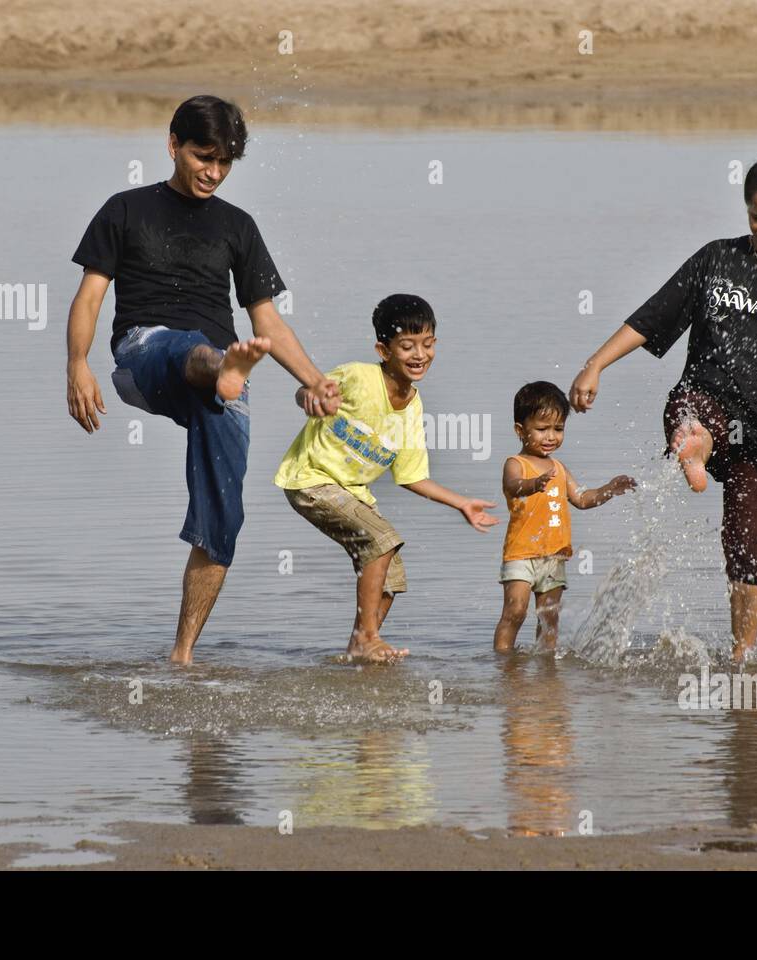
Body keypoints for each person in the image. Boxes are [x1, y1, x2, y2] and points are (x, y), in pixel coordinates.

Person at [568, 143, 757, 663]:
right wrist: (595, 364)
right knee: (694, 419)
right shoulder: (717, 258)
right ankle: (693, 448)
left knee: (749, 551)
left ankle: (741, 656)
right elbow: (652, 316)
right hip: (706, 399)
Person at [65, 94, 342, 666]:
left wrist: (314, 381)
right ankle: (222, 370)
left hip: (224, 370)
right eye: (203, 157)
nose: (213, 173)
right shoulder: (125, 209)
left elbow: (266, 321)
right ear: (173, 146)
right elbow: (90, 294)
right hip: (146, 355)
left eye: (225, 163)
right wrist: (77, 364)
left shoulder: (238, 227)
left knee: (223, 520)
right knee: (191, 349)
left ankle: (182, 656)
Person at [274, 294, 499, 663]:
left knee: (391, 572)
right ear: (384, 349)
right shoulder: (358, 377)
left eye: (427, 344)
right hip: (310, 480)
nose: (419, 354)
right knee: (381, 541)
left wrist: (460, 502)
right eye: (407, 345)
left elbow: (411, 477)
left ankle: (359, 650)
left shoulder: (413, 406)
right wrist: (308, 396)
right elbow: (306, 389)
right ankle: (367, 637)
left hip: (351, 493)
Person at [494, 382, 635, 653]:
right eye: (542, 429)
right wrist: (534, 484)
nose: (551, 437)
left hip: (554, 556)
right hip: (521, 555)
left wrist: (608, 489)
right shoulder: (515, 464)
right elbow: (513, 486)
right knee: (516, 611)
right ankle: (504, 664)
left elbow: (581, 498)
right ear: (520, 430)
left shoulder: (558, 468)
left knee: (549, 618)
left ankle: (546, 669)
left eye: (558, 429)